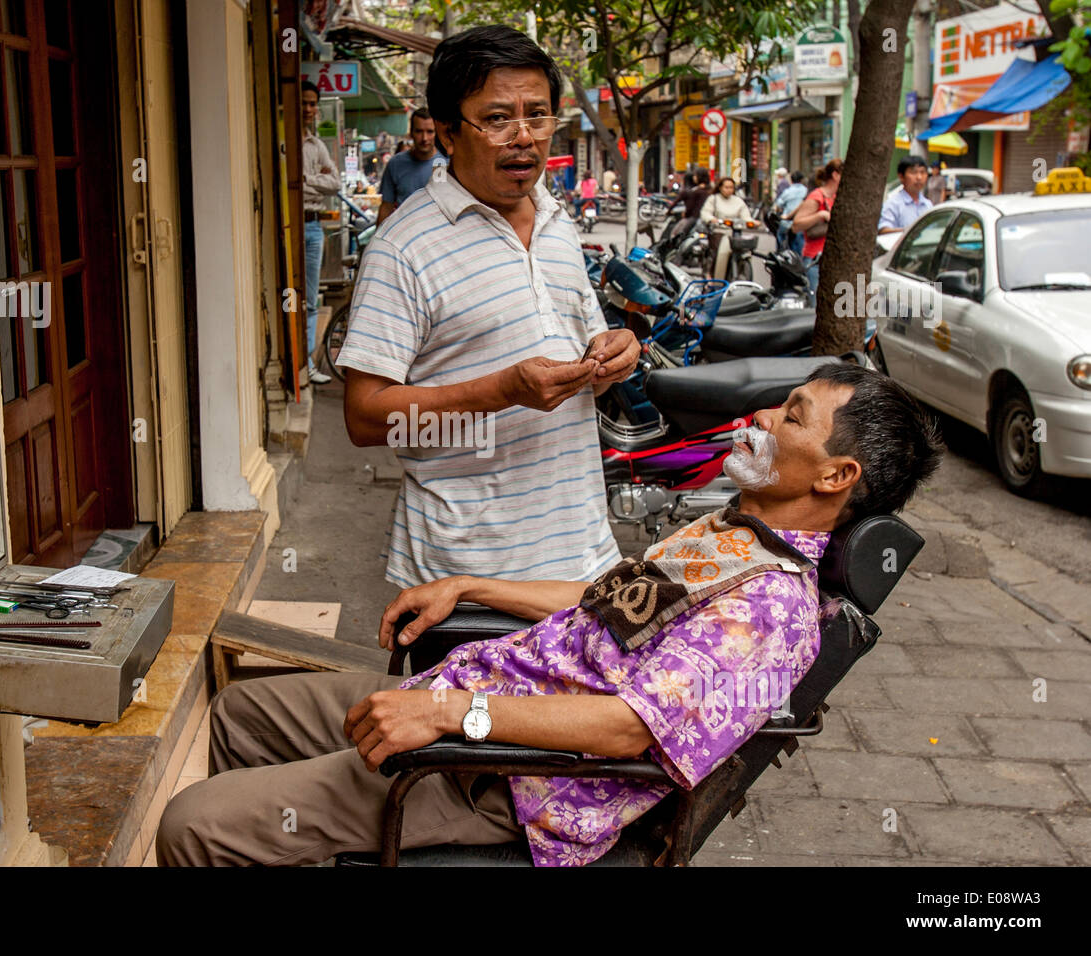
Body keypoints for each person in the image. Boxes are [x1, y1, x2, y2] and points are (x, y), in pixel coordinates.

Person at [156, 363, 944, 866]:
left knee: (193, 825)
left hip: (505, 779)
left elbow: (629, 729)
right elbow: (609, 598)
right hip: (482, 693)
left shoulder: (769, 608)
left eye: (794, 416)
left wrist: (449, 714)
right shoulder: (734, 530)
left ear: (839, 473)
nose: (765, 417)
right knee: (239, 713)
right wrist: (470, 588)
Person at [332, 25, 639, 589]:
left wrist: (612, 355)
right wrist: (501, 392)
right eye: (497, 119)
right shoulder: (404, 247)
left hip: (584, 559)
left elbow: (585, 352)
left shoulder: (558, 221)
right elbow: (365, 417)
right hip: (462, 578)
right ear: (449, 133)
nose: (524, 137)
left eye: (538, 115)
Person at [301, 79, 341, 385]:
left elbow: (335, 184)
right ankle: (296, 364)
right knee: (291, 295)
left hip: (314, 226)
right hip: (292, 224)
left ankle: (308, 364)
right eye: (303, 102)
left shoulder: (318, 145)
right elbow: (290, 183)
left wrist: (307, 180)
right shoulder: (285, 143)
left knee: (312, 299)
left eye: (313, 103)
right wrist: (316, 179)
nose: (308, 108)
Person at [377, 109, 448, 226]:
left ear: (437, 133)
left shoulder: (446, 164)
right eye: (419, 131)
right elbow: (386, 206)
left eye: (430, 132)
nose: (424, 138)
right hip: (405, 235)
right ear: (411, 133)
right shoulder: (396, 164)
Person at [791, 158, 843, 295]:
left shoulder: (836, 197)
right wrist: (820, 215)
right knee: (815, 308)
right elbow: (796, 225)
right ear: (836, 175)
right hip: (815, 260)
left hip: (833, 261)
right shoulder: (817, 196)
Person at [699, 176, 753, 279]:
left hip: (734, 233)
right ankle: (711, 275)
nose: (729, 190)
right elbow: (705, 213)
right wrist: (712, 219)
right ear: (720, 188)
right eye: (726, 187)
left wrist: (752, 222)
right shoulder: (713, 199)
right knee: (717, 251)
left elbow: (746, 216)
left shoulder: (738, 201)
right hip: (718, 231)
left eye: (731, 187)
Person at [879, 156, 934, 235]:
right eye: (914, 172)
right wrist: (911, 231)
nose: (919, 177)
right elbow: (883, 230)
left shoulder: (928, 205)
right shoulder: (893, 204)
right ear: (901, 176)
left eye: (922, 172)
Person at [772, 170, 808, 256]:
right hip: (801, 223)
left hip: (786, 222)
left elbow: (778, 205)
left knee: (780, 235)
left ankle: (780, 253)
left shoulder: (787, 191)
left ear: (791, 180)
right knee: (799, 245)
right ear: (802, 180)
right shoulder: (806, 191)